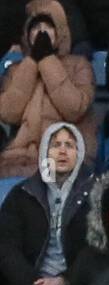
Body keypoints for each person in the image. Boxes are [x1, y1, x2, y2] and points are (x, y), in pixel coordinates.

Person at [0, 2, 96, 179]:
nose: (41, 33)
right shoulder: (16, 69)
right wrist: (31, 63)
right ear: (27, 34)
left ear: (59, 32)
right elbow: (8, 113)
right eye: (35, 28)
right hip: (20, 158)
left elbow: (74, 108)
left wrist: (46, 61)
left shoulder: (79, 65)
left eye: (48, 27)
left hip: (65, 156)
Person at [0, 121, 93, 285]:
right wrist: (34, 283)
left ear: (79, 152)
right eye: (55, 145)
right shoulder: (22, 193)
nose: (62, 151)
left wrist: (64, 280)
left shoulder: (96, 193)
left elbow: (97, 249)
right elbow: (6, 246)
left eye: (70, 145)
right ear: (44, 152)